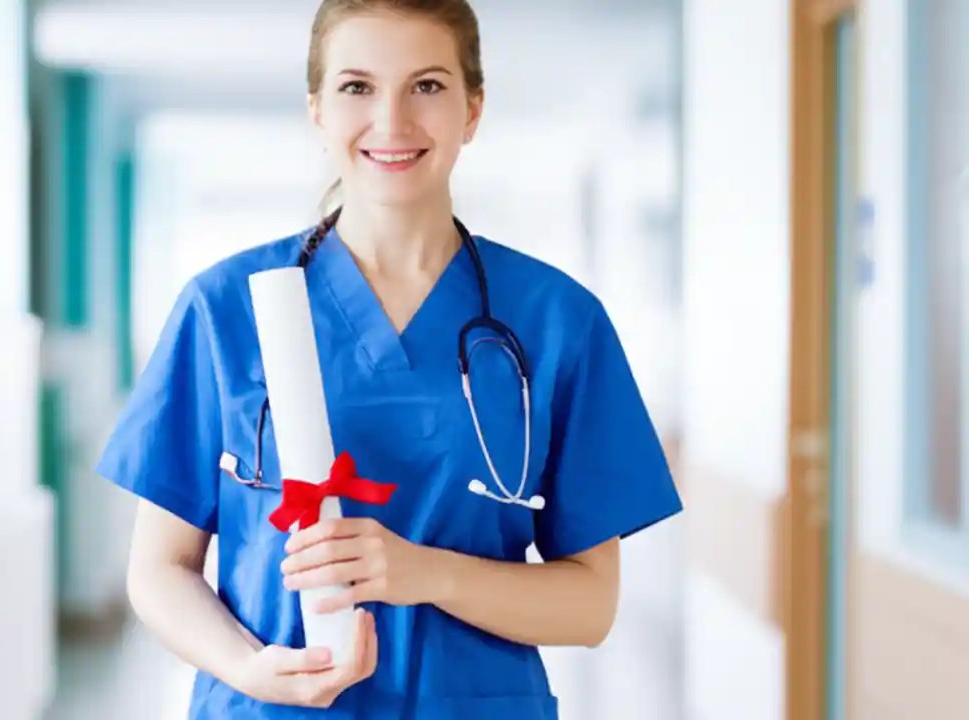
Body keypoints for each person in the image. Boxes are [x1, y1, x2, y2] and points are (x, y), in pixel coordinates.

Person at [95, 1, 684, 717]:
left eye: (428, 86)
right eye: (356, 87)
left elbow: (590, 604)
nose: (393, 121)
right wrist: (249, 670)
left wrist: (420, 572)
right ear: (317, 109)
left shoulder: (559, 321)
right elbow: (159, 570)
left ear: (473, 109)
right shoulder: (226, 308)